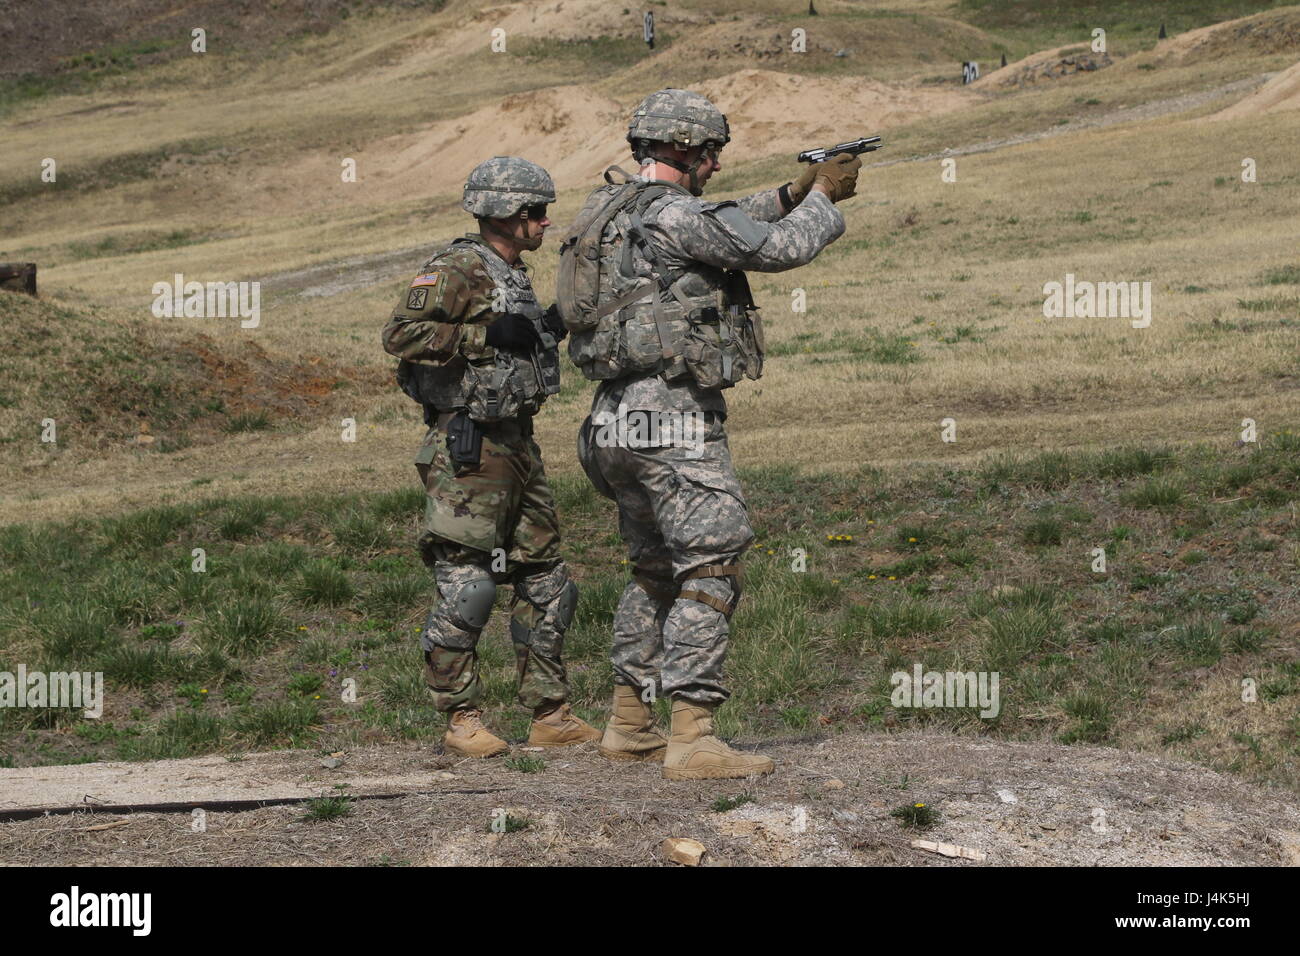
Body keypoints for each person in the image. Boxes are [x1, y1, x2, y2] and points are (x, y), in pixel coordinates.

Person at [559, 89, 860, 780]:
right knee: (711, 565)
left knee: (655, 568)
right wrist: (827, 198)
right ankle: (692, 734)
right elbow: (775, 249)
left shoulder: (608, 211)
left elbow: (727, 222)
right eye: (711, 152)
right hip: (672, 418)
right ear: (686, 150)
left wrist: (792, 188)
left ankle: (630, 721)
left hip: (613, 419)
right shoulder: (673, 216)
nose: (718, 164)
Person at [381, 156, 600, 758]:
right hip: (467, 447)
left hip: (517, 442)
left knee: (547, 581)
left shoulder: (513, 273)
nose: (544, 222)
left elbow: (516, 340)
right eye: (535, 212)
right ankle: (460, 718)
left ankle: (550, 713)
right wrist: (484, 335)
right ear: (504, 213)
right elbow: (399, 336)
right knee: (468, 585)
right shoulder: (457, 267)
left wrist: (544, 326)